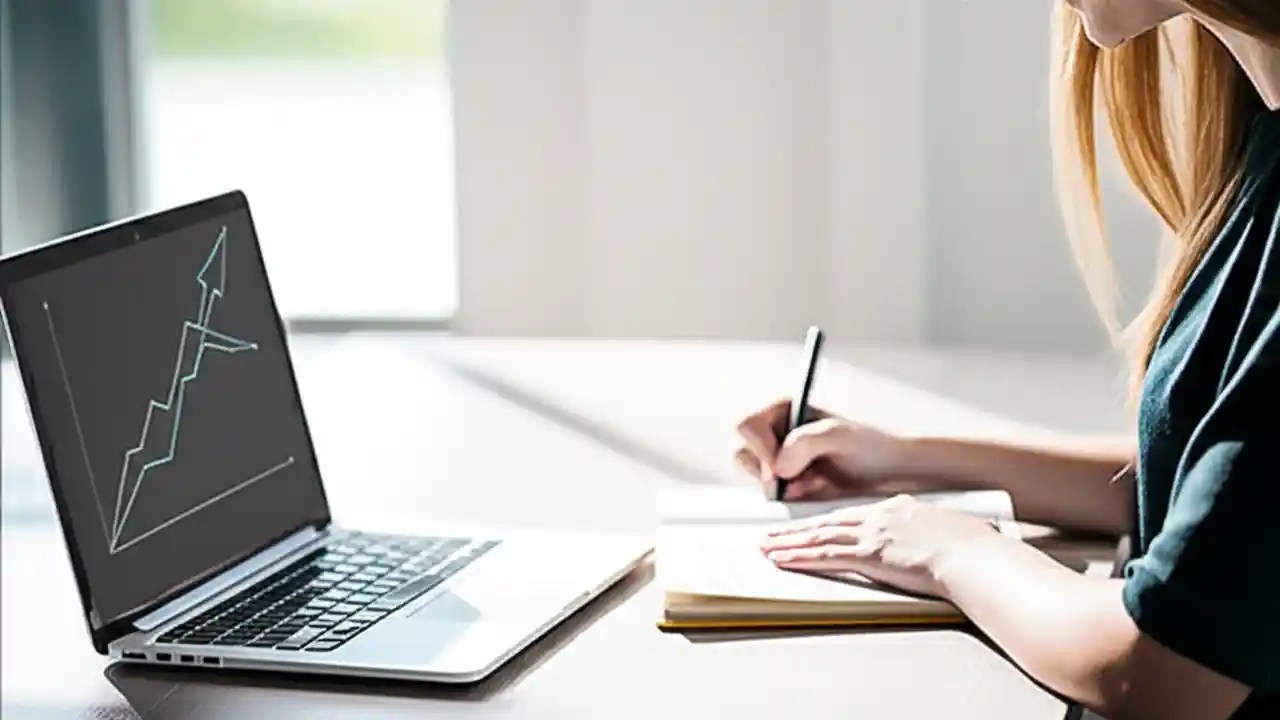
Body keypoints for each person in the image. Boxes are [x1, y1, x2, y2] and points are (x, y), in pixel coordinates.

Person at [735, 2, 1280, 718]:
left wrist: (954, 552)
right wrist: (907, 459)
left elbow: (1163, 666)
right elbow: (1224, 518)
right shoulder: (1264, 128)